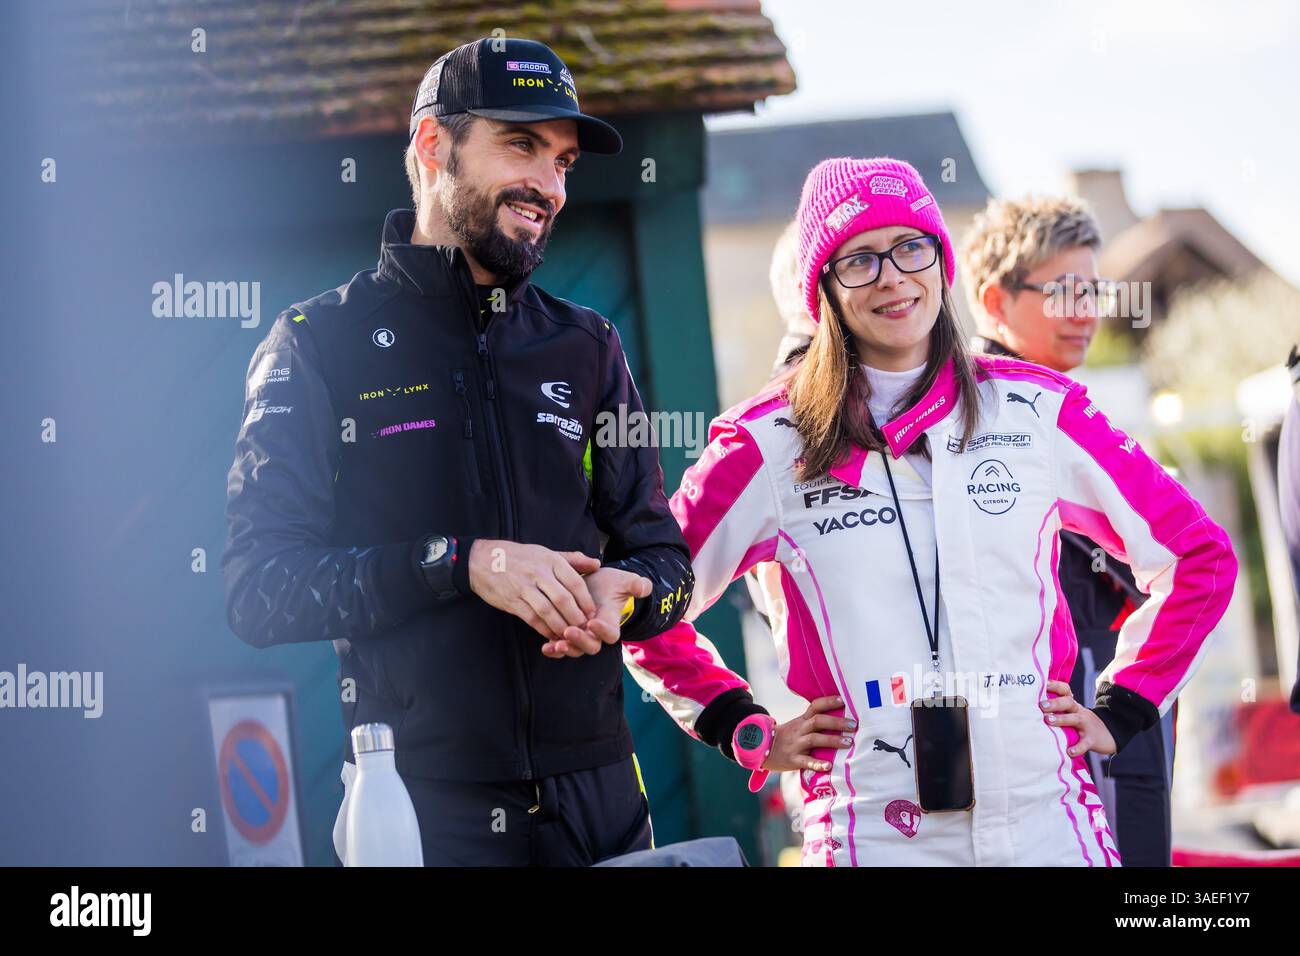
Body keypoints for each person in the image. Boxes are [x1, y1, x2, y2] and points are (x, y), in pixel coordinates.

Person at [623, 157, 1237, 865]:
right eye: (859, 259)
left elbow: (1198, 557)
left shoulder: (1039, 411)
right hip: (874, 836)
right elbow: (646, 602)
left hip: (1047, 822)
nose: (891, 276)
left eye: (911, 246)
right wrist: (744, 726)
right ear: (821, 286)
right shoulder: (766, 440)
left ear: (940, 263)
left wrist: (1125, 704)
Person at [222, 37, 694, 866]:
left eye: (564, 162)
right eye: (522, 146)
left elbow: (665, 559)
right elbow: (259, 591)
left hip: (603, 805)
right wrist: (459, 562)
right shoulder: (314, 343)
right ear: (434, 146)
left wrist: (630, 594)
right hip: (418, 809)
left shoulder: (587, 346)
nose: (549, 186)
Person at [961, 194, 1177, 866]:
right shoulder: (979, 417)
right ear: (995, 302)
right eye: (1063, 292)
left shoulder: (1060, 407)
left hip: (1110, 692)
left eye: (1093, 289)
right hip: (1058, 716)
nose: (1087, 312)